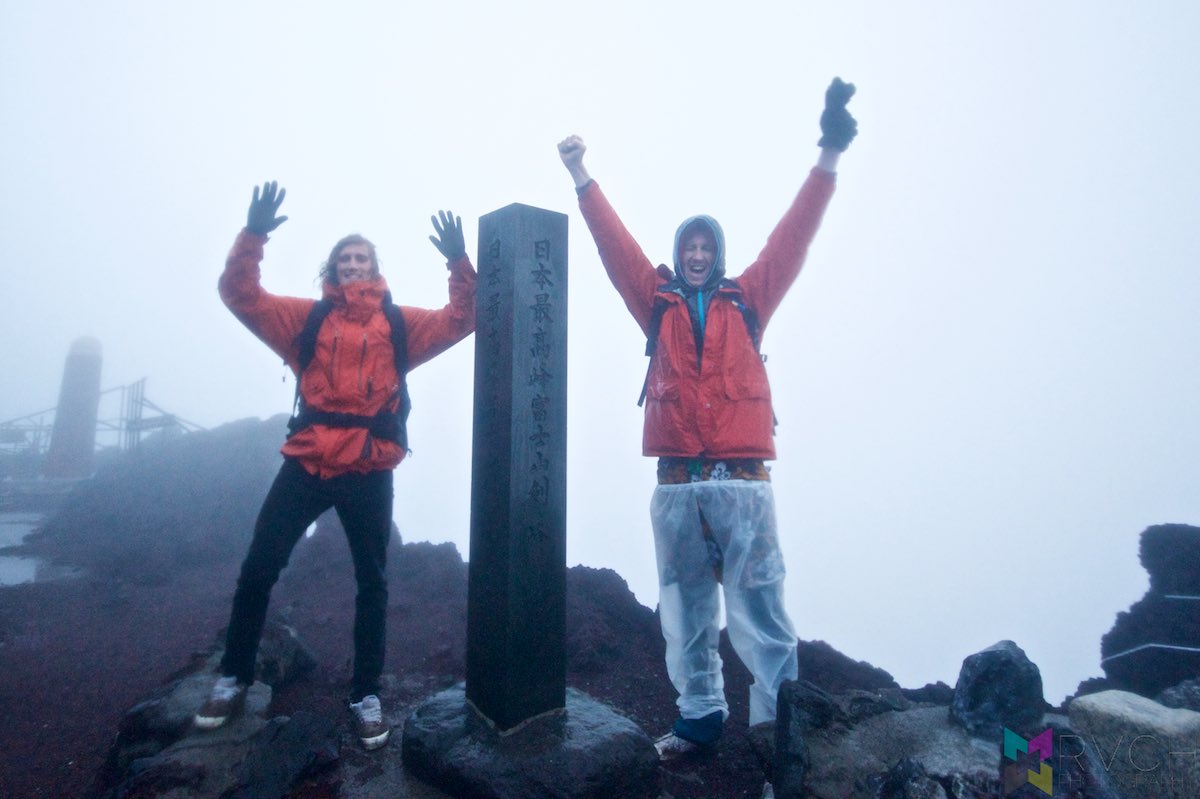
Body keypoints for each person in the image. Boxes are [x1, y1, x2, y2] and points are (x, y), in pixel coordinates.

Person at [557, 78, 857, 765]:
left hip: (742, 482)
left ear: (717, 254)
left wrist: (829, 154)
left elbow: (793, 237)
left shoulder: (748, 298)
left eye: (704, 247)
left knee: (762, 615)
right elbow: (616, 249)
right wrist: (581, 174)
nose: (695, 255)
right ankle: (698, 719)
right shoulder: (655, 301)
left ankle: (777, 734)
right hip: (676, 483)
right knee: (686, 612)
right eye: (687, 246)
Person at [194, 182, 476, 750]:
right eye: (345, 259)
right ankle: (233, 677)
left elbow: (461, 318)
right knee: (259, 567)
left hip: (369, 468)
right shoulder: (306, 319)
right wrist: (253, 235)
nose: (353, 266)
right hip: (308, 461)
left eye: (362, 259)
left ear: (374, 269)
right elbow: (240, 294)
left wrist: (457, 261)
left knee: (372, 582)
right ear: (332, 268)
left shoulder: (397, 325)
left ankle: (365, 695)